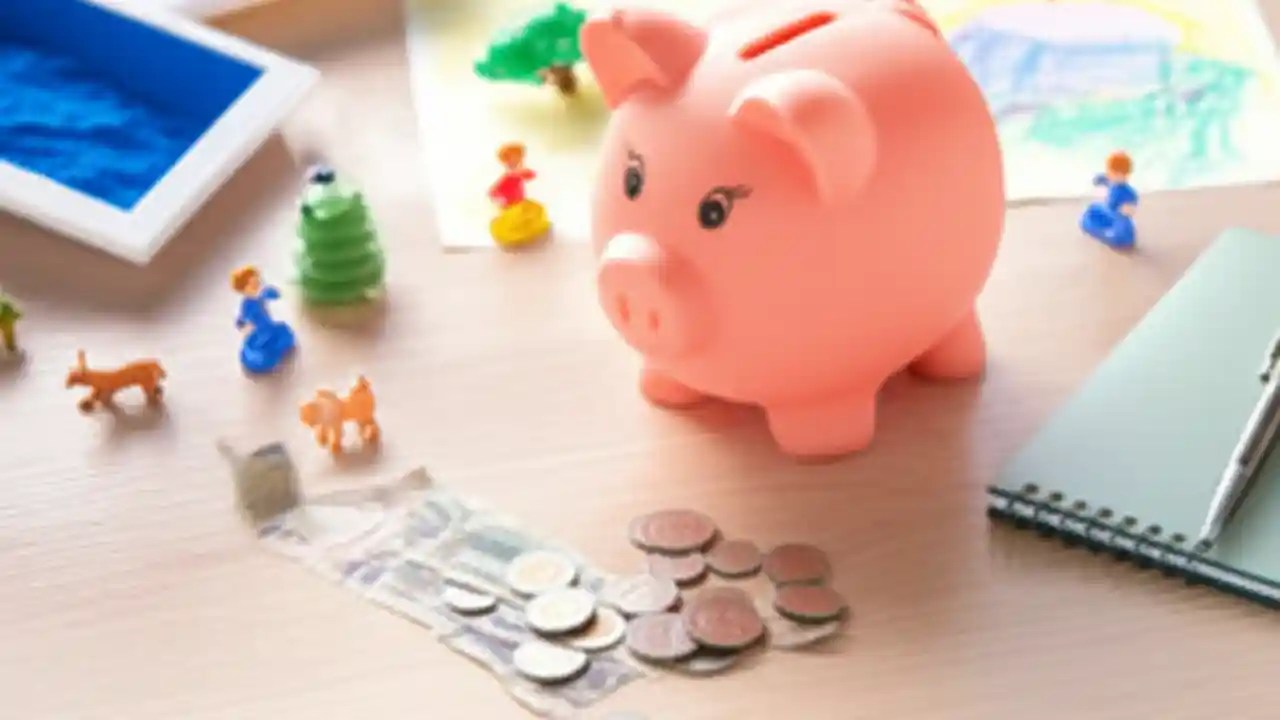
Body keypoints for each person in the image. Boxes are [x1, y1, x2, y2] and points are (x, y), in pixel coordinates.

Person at [231, 265, 295, 373]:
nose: (257, 286)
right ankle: (262, 354)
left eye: (258, 282)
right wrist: (242, 323)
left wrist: (272, 292)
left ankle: (272, 347)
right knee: (263, 341)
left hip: (267, 324)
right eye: (253, 284)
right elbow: (243, 317)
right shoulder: (247, 304)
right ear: (243, 288)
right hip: (259, 329)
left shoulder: (260, 295)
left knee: (281, 331)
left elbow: (274, 294)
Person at [1080, 151, 1139, 248]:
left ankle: (1100, 230)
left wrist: (1126, 209)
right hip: (1112, 216)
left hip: (1121, 230)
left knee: (1120, 235)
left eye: (1123, 174)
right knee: (1092, 208)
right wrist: (1097, 180)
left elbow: (1129, 209)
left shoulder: (1128, 192)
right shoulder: (1112, 182)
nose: (1119, 177)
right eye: (1115, 173)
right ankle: (1091, 225)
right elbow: (1100, 179)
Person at [488, 142, 537, 209]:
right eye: (515, 157)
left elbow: (531, 174)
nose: (520, 160)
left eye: (520, 157)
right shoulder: (508, 176)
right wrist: (502, 200)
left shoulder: (517, 173)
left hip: (519, 204)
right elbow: (493, 192)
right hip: (511, 206)